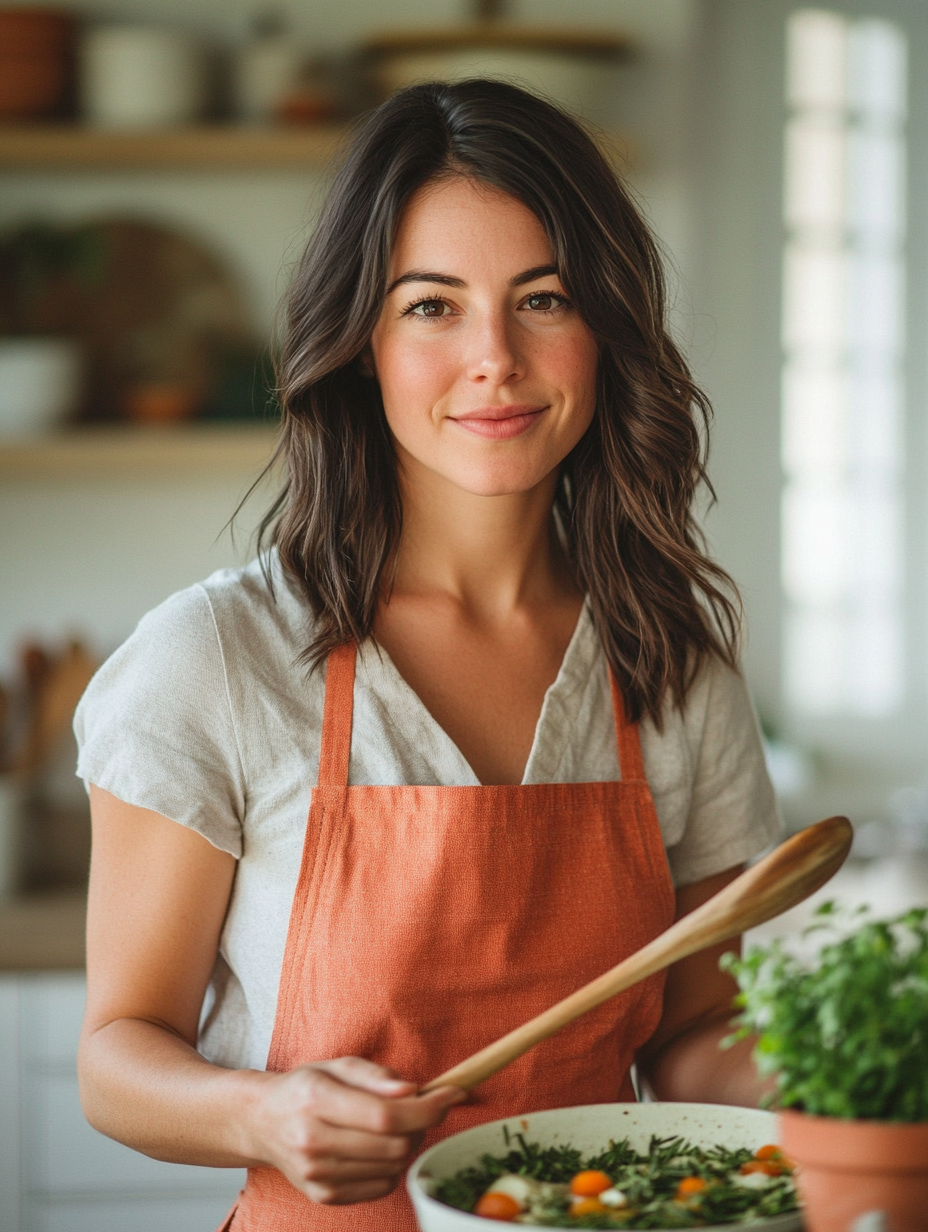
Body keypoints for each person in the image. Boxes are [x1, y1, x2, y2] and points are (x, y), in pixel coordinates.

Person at [74, 79, 780, 1232]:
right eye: (431, 306)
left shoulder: (671, 659)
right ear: (359, 343)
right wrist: (261, 1113)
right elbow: (117, 1053)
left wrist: (855, 1081)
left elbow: (693, 1041)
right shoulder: (218, 657)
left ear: (604, 327)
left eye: (542, 297)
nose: (494, 357)